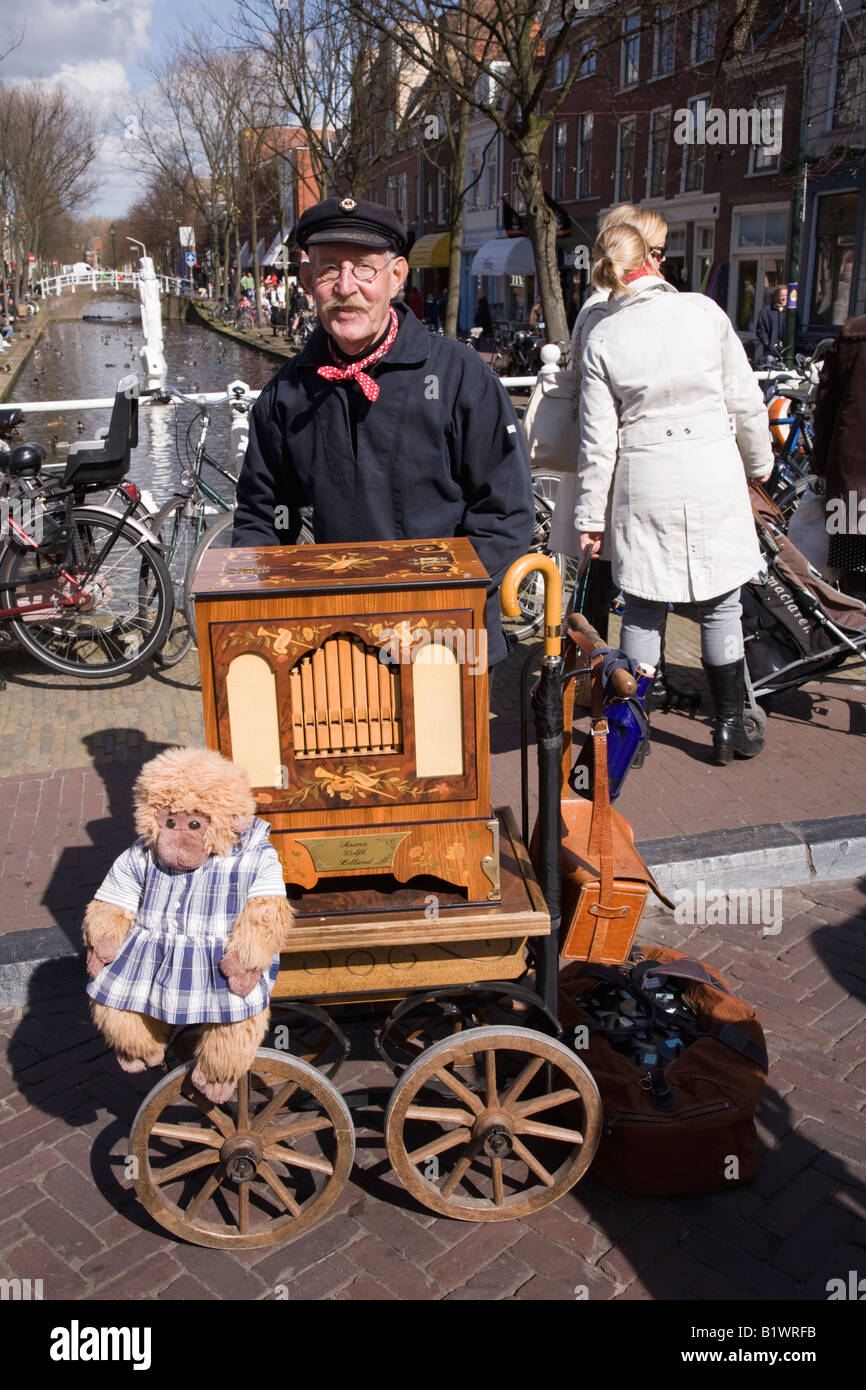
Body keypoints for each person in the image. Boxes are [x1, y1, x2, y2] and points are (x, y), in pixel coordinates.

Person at [232, 197, 534, 667]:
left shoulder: (461, 377)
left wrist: (431, 603)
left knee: (449, 742)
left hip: (450, 635)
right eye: (330, 269)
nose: (346, 287)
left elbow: (504, 514)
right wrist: (270, 608)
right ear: (309, 281)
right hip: (342, 640)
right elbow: (265, 514)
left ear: (396, 277)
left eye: (365, 270)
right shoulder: (286, 393)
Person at [573, 223, 775, 765]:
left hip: (646, 477)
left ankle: (632, 738)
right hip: (713, 468)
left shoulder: (603, 337)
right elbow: (747, 403)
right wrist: (759, 466)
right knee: (721, 604)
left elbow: (597, 444)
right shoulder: (705, 312)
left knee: (641, 609)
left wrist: (590, 517)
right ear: (653, 261)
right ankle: (728, 728)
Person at [812, 312, 866, 598]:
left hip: (851, 486)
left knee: (852, 584)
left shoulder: (852, 334)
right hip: (850, 484)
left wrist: (820, 465)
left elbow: (826, 405)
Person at [755, 285, 788, 363]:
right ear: (776, 296)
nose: (784, 298)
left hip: (787, 352)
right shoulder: (766, 311)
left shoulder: (791, 313)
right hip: (770, 352)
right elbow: (760, 329)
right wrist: (767, 343)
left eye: (786, 295)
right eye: (782, 295)